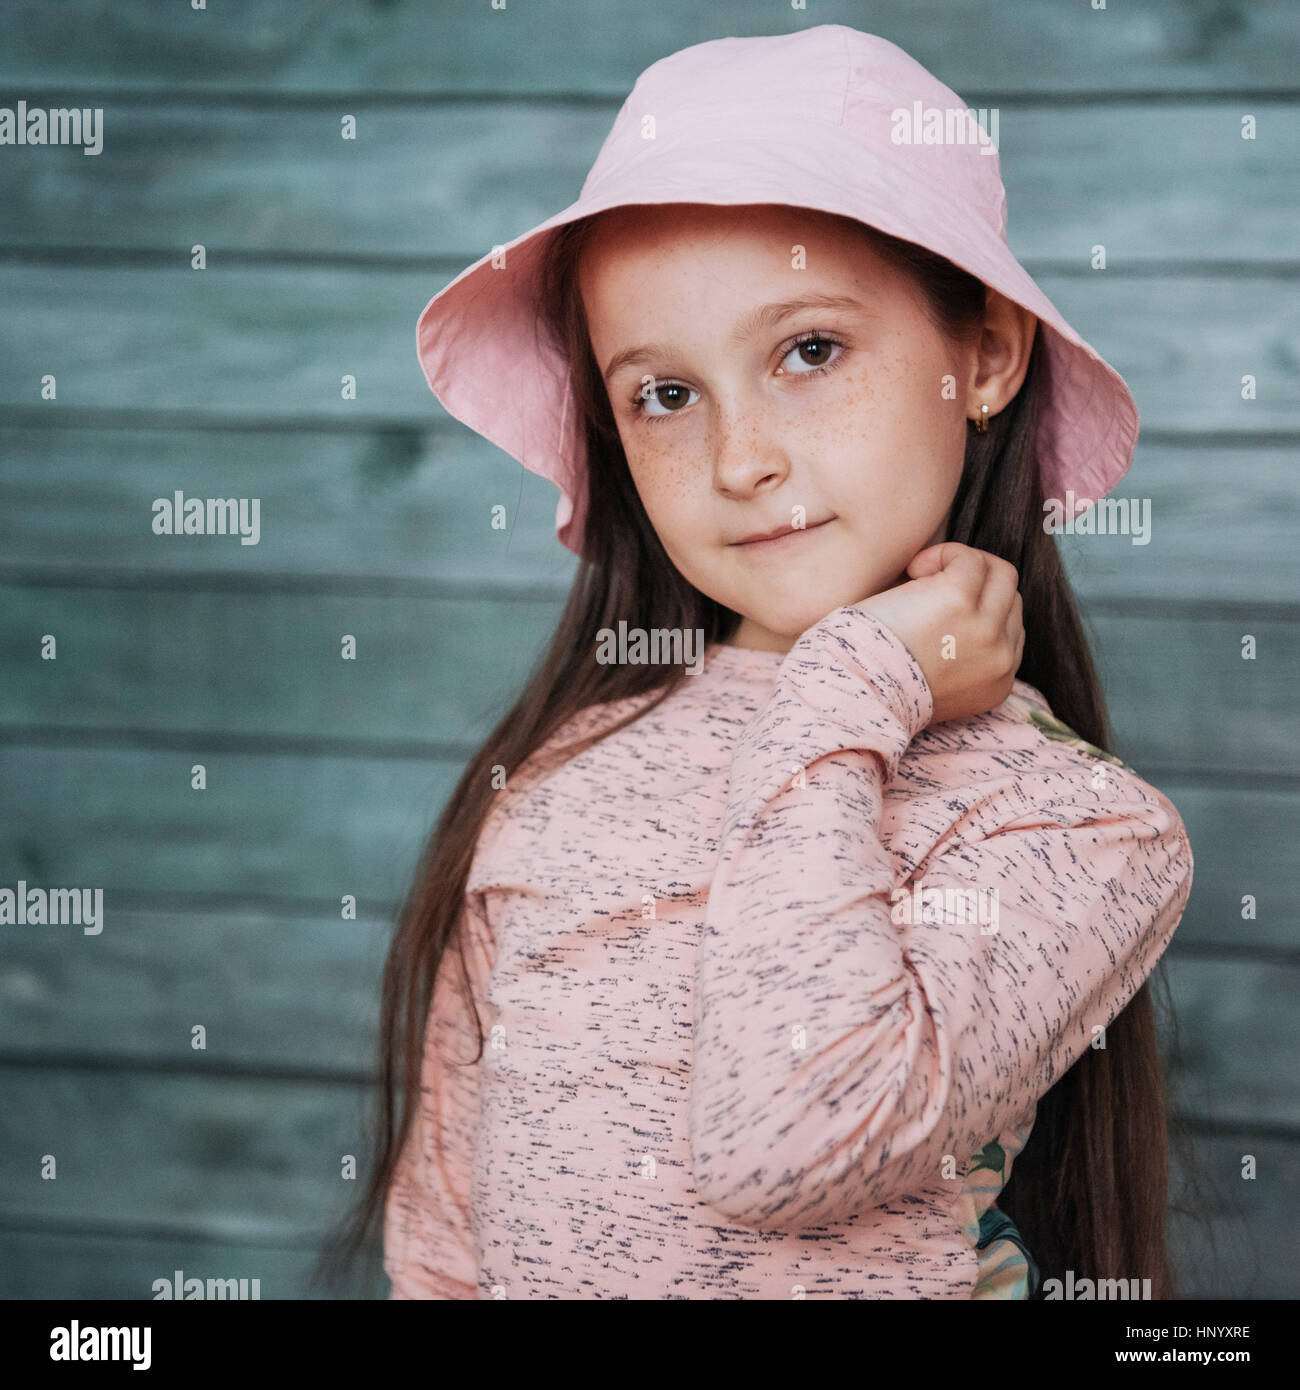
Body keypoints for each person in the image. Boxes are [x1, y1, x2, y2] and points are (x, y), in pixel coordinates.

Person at [319, 25, 1194, 1300]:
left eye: (808, 351)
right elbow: (449, 1231)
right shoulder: (564, 773)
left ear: (987, 353)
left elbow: (788, 1142)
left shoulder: (1076, 824)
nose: (739, 461)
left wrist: (850, 687)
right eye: (664, 394)